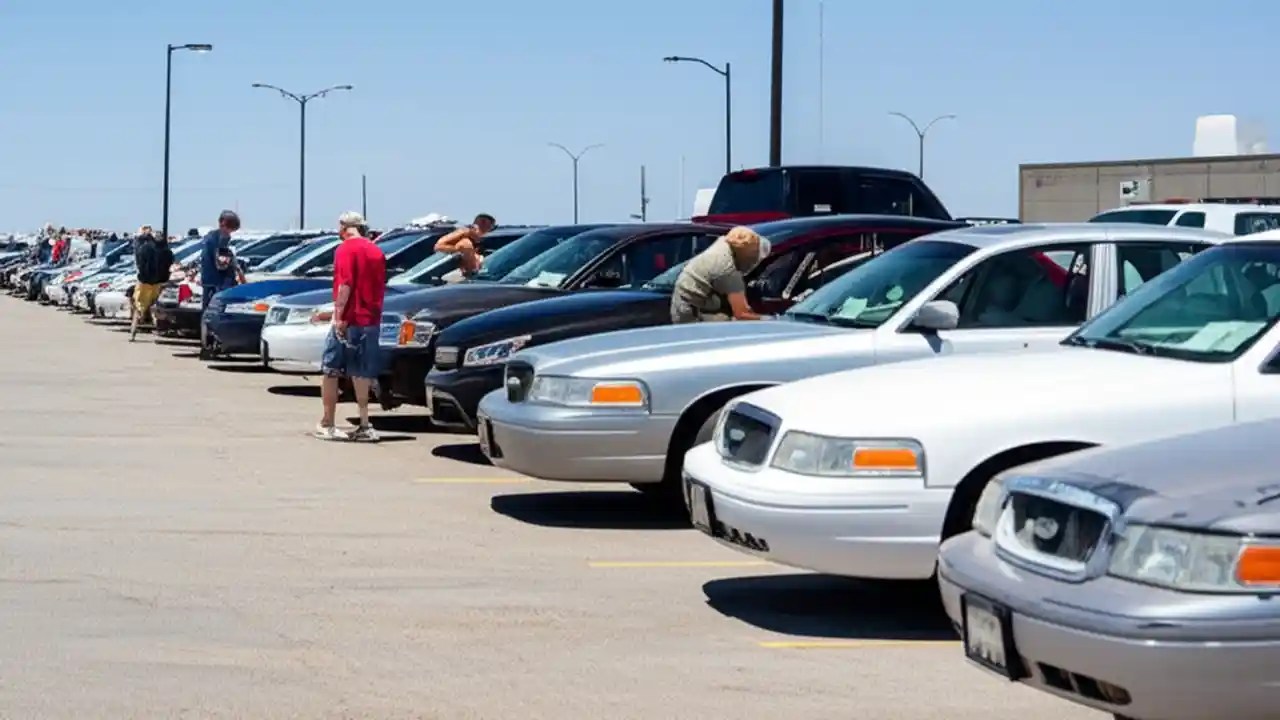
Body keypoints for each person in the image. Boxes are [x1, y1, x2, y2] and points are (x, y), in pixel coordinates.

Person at [316, 211, 387, 442]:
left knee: (331, 369)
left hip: (349, 320)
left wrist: (338, 316)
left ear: (344, 227)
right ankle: (365, 423)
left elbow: (345, 284)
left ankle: (328, 422)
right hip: (371, 320)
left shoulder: (345, 249)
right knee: (362, 372)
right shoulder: (376, 250)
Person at [670, 226, 773, 323]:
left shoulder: (723, 243)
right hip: (691, 315)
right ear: (747, 256)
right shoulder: (727, 268)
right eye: (754, 259)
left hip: (681, 303)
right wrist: (767, 319)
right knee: (726, 322)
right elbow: (742, 314)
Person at [130, 226, 173, 341]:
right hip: (158, 282)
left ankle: (133, 332)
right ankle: (157, 329)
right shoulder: (166, 251)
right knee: (155, 305)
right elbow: (170, 265)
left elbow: (138, 261)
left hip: (144, 281)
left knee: (139, 307)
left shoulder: (144, 248)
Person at [199, 210, 244, 311]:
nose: (230, 232)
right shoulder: (220, 240)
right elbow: (222, 262)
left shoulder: (209, 238)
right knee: (217, 310)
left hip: (208, 280)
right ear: (224, 224)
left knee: (207, 309)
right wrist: (235, 268)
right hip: (218, 282)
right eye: (231, 229)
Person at [434, 213, 496, 278]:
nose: (490, 231)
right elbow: (438, 246)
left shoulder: (479, 241)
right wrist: (460, 251)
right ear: (482, 223)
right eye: (490, 227)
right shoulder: (464, 232)